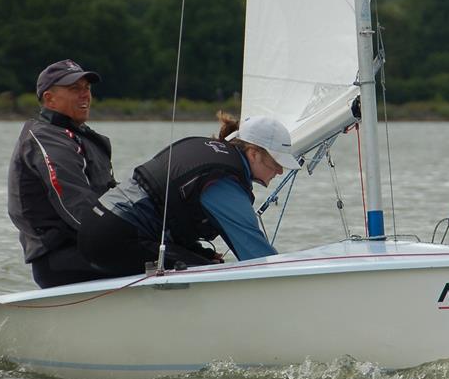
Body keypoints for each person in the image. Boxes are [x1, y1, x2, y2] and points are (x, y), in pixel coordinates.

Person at [78, 112, 301, 277]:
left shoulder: (211, 150)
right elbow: (257, 256)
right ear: (253, 153)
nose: (280, 170)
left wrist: (194, 251)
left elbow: (159, 211)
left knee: (202, 261)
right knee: (210, 274)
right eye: (276, 162)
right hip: (114, 237)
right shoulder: (223, 183)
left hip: (100, 226)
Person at [8, 59, 117, 288]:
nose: (84, 95)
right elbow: (77, 206)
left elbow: (113, 199)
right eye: (74, 89)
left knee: (174, 252)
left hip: (90, 249)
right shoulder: (46, 138)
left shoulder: (84, 138)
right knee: (162, 259)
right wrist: (131, 239)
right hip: (60, 259)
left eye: (87, 88)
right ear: (49, 99)